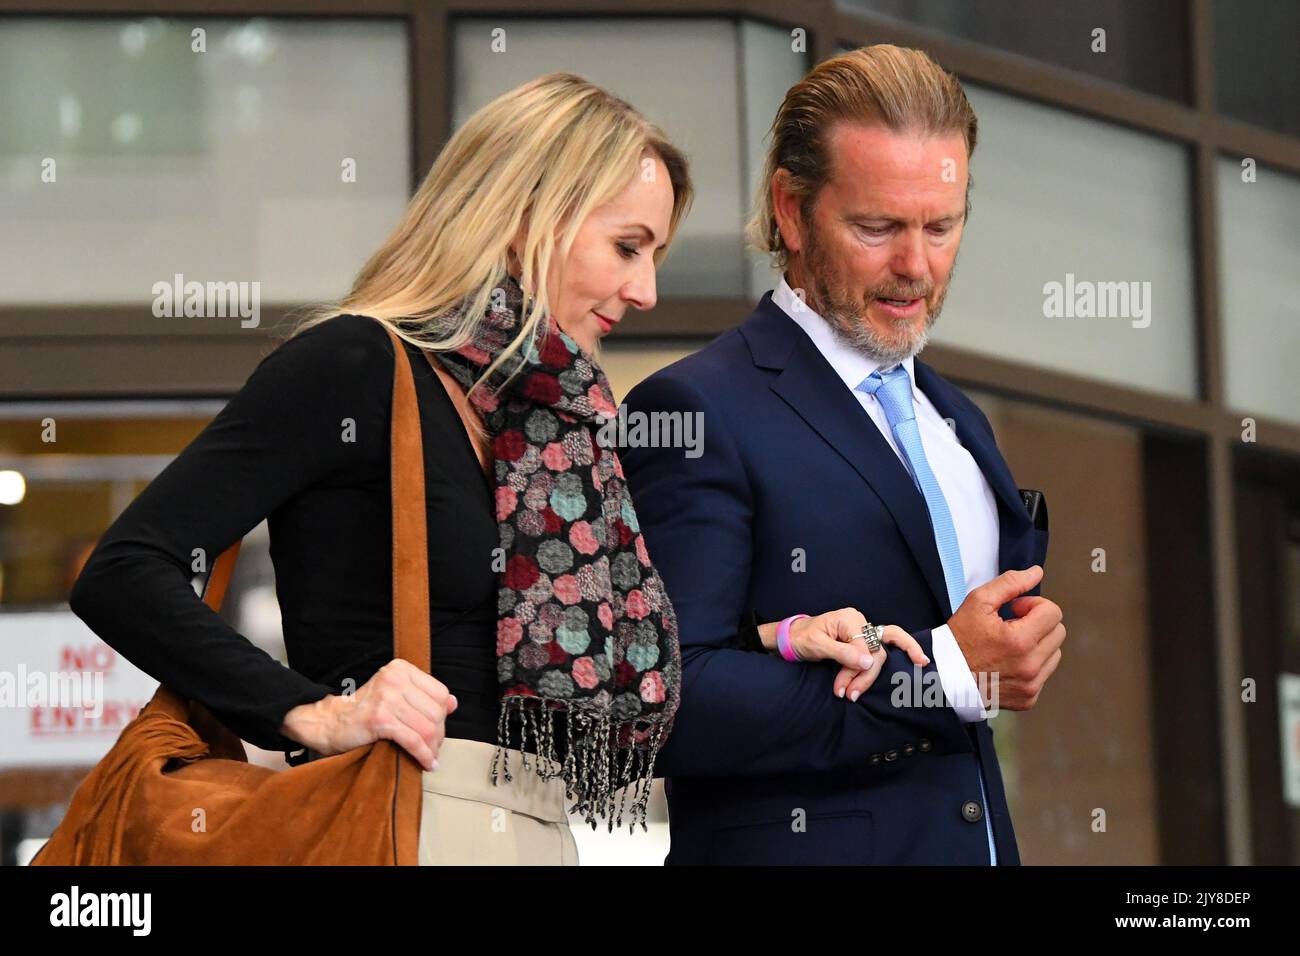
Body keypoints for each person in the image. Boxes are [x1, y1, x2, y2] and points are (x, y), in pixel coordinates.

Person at [70, 72, 701, 865]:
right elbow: (124, 570)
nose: (646, 291)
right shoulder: (358, 363)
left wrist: (779, 638)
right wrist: (309, 711)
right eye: (627, 247)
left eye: (655, 256)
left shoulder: (552, 424)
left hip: (539, 828)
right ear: (527, 215)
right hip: (405, 817)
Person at [620, 45, 1067, 865]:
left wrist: (1010, 654)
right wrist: (942, 673)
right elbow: (667, 704)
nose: (916, 266)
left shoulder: (960, 421)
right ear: (791, 212)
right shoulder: (695, 409)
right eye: (877, 228)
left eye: (942, 226)